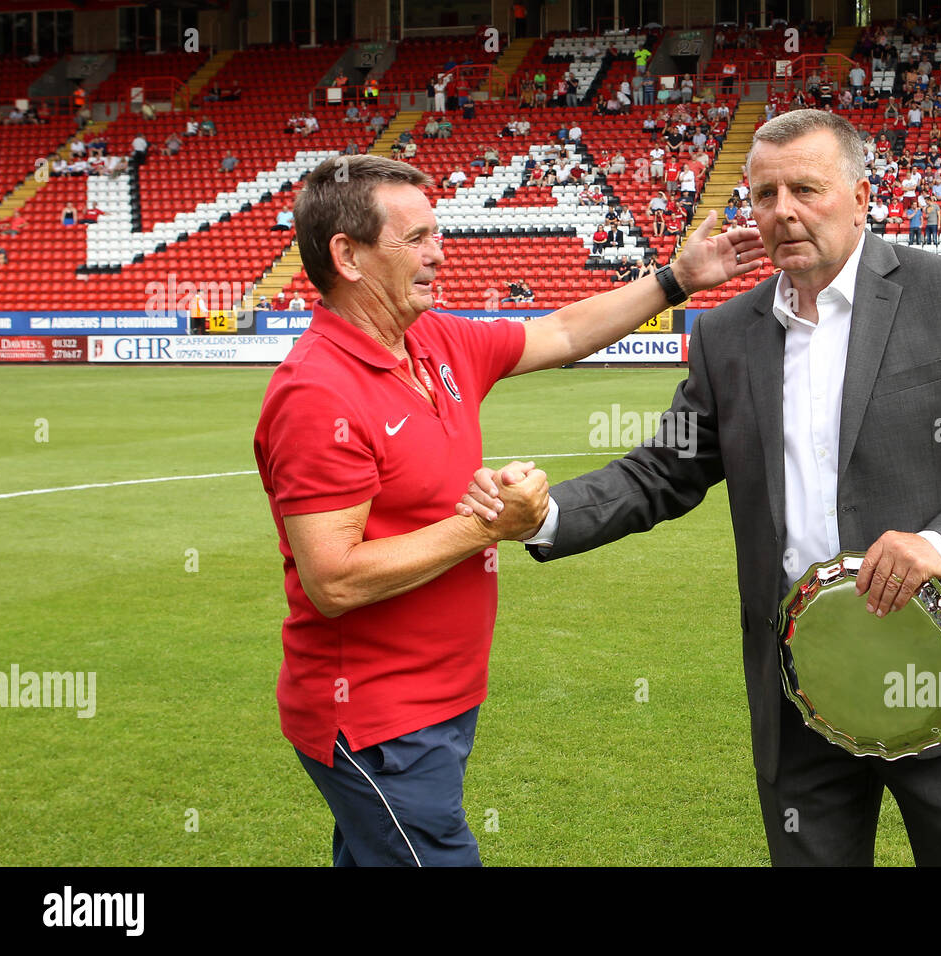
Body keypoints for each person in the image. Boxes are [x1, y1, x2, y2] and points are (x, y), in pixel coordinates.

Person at [463, 111, 941, 866]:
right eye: (765, 193)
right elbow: (664, 469)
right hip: (802, 689)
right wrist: (547, 513)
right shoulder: (728, 335)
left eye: (806, 189)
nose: (783, 209)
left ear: (860, 195)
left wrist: (938, 545)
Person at [253, 154, 764, 868]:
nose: (439, 253)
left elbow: (560, 333)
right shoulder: (318, 393)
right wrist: (487, 525)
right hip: (374, 718)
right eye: (417, 238)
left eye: (438, 234)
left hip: (441, 701)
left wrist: (677, 279)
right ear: (349, 256)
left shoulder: (432, 341)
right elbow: (332, 580)